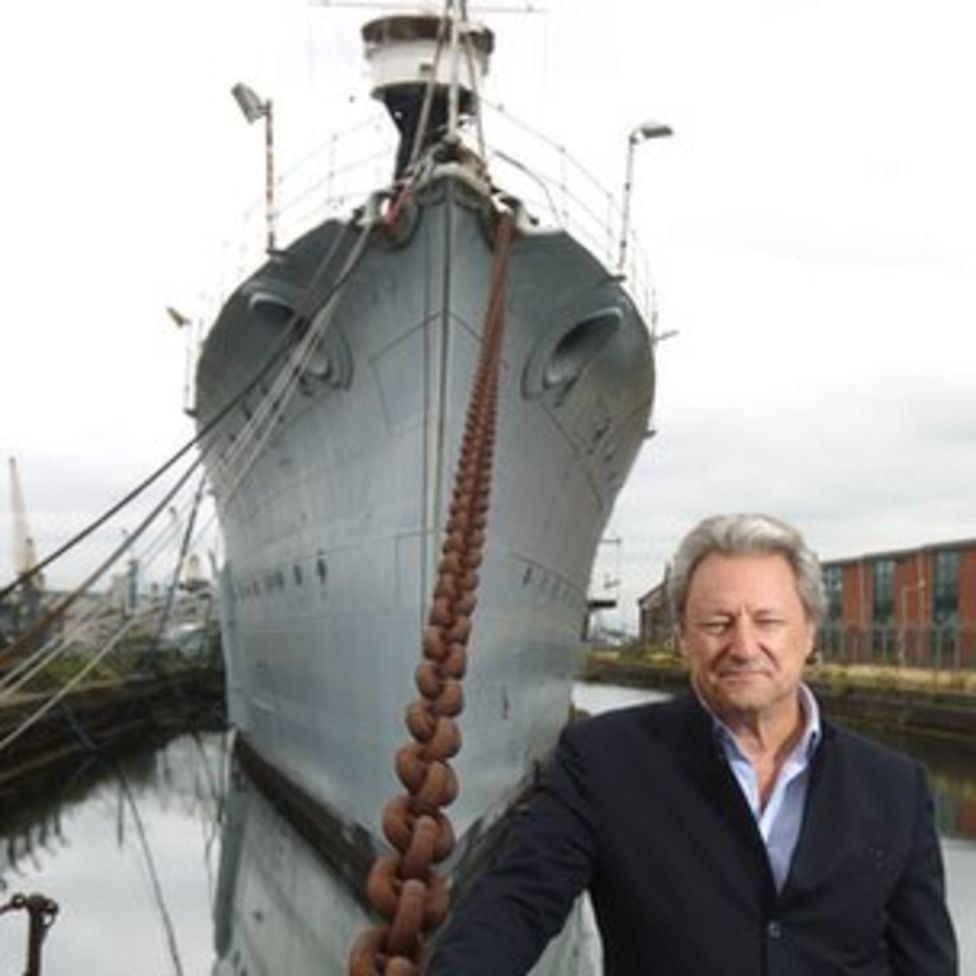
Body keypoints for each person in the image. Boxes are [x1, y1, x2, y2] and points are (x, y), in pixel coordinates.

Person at [427, 513, 958, 974]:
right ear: (682, 637)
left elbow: (926, 963)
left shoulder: (895, 786)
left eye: (768, 621)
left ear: (810, 633)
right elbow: (517, 906)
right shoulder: (604, 761)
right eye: (717, 623)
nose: (744, 646)